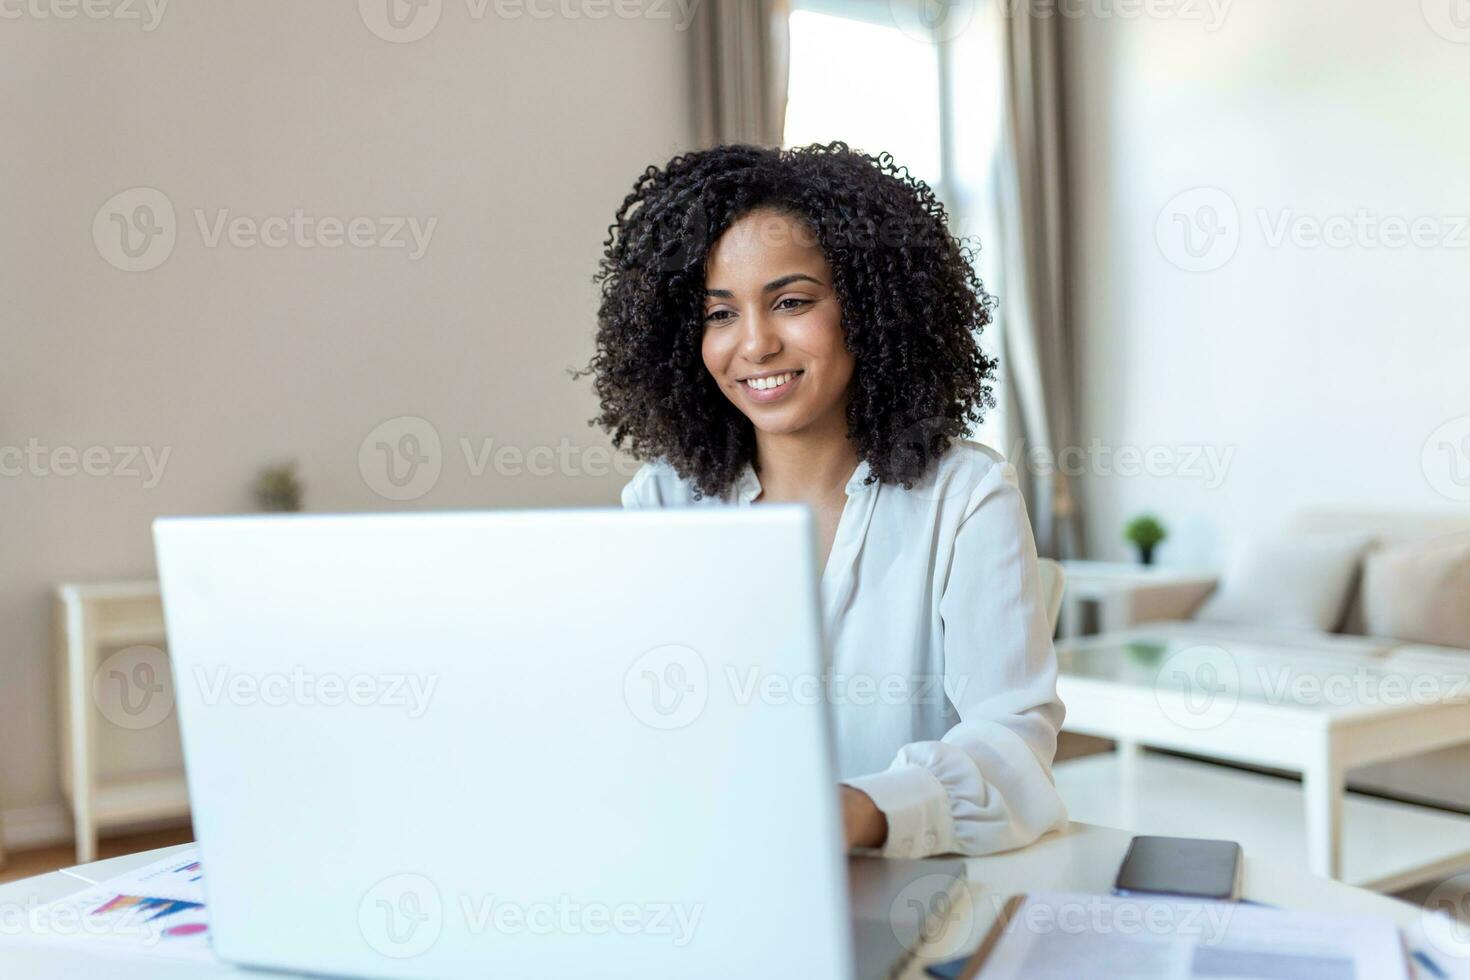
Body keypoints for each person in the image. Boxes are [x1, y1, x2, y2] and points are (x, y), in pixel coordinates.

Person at [577, 142, 1067, 859]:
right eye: (719, 314)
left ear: (869, 307)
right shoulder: (663, 504)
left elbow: (1012, 746)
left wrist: (862, 810)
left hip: (900, 887)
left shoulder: (964, 497)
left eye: (792, 303)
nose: (754, 344)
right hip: (705, 877)